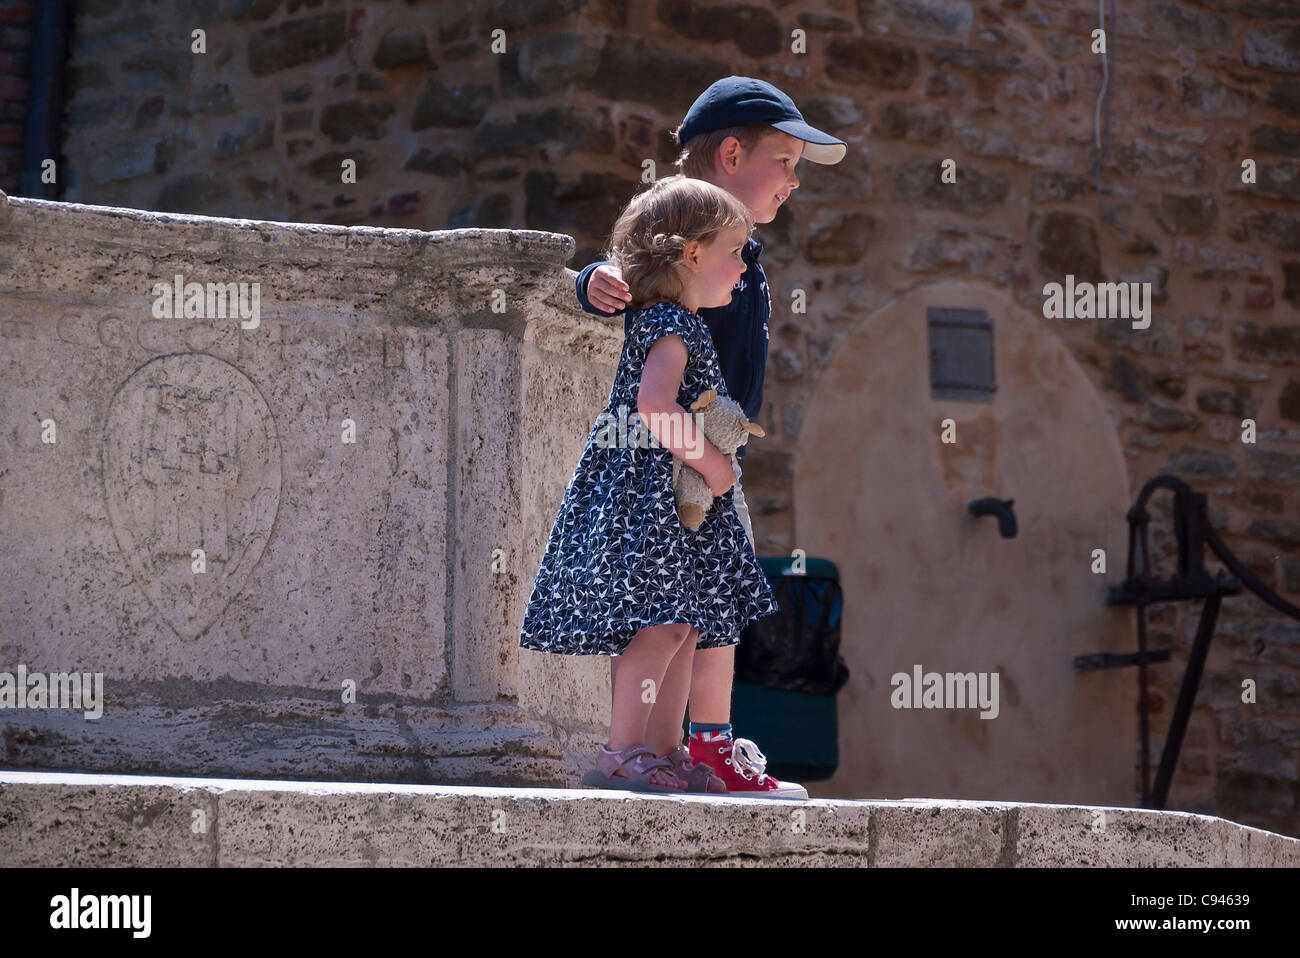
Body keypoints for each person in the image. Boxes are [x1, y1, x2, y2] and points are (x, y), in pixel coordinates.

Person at [572, 76, 847, 798]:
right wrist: (591, 280)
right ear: (731, 153)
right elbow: (622, 275)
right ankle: (651, 748)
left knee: (709, 614)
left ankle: (696, 749)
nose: (793, 181)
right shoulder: (688, 245)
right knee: (672, 615)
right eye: (784, 161)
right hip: (676, 466)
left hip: (713, 456)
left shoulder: (738, 255)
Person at [519, 174, 779, 794]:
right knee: (660, 625)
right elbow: (654, 407)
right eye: (734, 252)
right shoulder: (669, 324)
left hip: (666, 498)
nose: (744, 266)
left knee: (684, 626)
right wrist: (715, 465)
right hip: (648, 498)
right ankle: (622, 750)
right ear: (692, 255)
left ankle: (664, 750)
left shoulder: (680, 321)